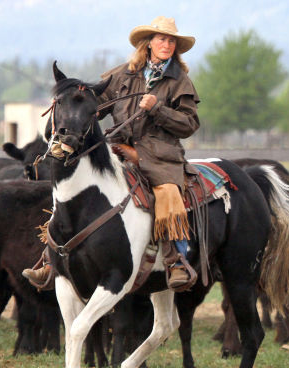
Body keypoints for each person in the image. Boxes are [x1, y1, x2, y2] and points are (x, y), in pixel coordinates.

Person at [23, 16, 199, 292]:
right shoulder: (122, 74)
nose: (167, 44)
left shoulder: (180, 82)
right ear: (148, 43)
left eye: (171, 41)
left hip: (160, 155)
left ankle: (175, 259)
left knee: (167, 191)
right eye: (162, 39)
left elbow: (189, 124)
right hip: (118, 146)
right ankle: (50, 257)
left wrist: (157, 108)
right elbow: (96, 105)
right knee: (74, 186)